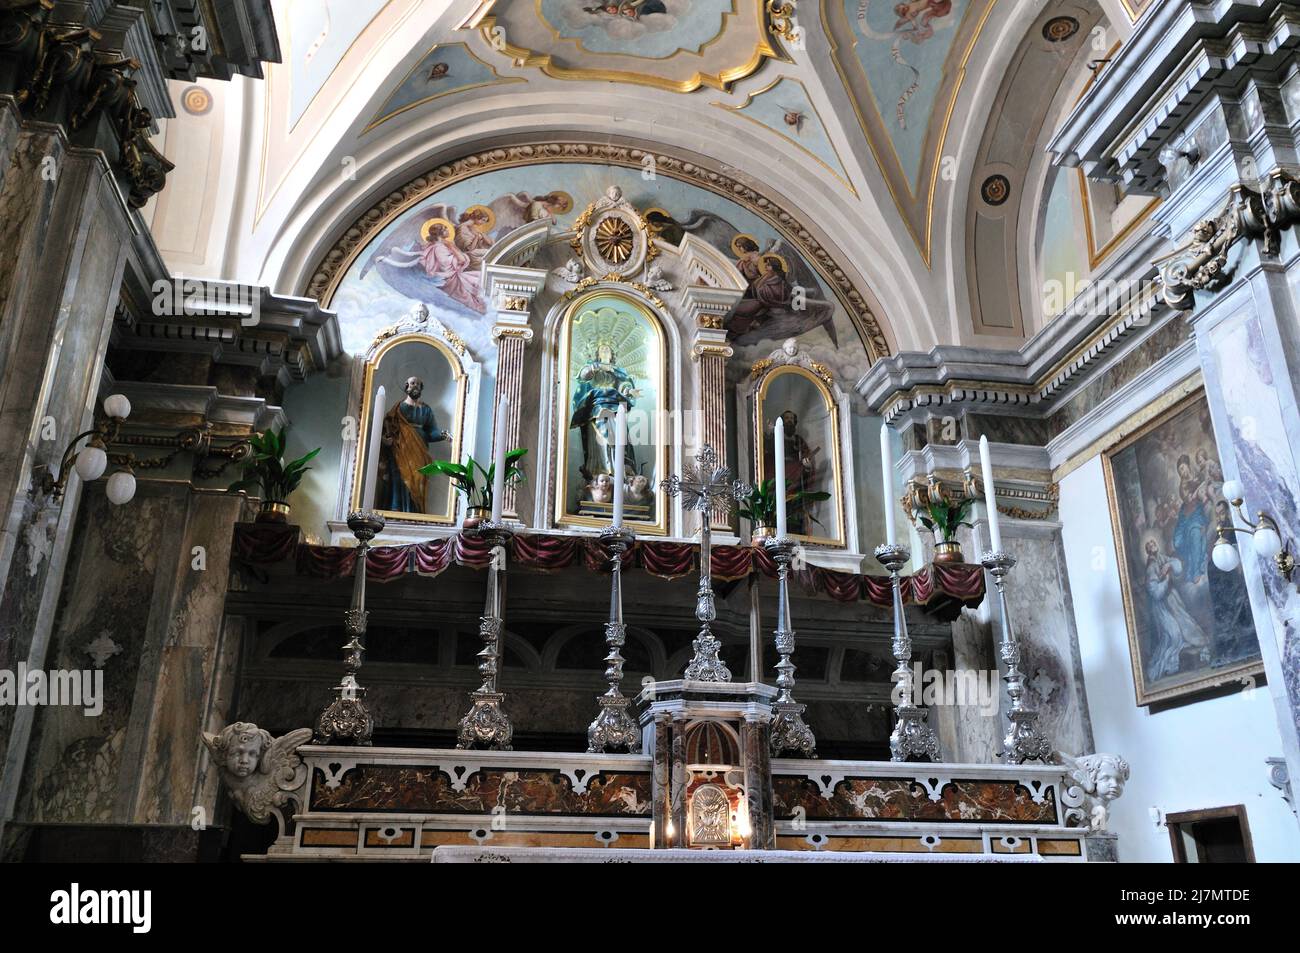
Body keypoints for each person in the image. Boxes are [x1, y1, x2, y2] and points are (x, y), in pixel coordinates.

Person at [378, 376, 449, 513]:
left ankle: (414, 512)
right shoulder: (398, 408)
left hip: (419, 451)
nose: (415, 386)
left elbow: (431, 433)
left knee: (418, 480)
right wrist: (386, 439)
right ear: (407, 387)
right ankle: (396, 509)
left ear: (421, 388)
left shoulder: (426, 410)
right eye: (412, 383)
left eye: (418, 384)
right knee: (398, 478)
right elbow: (388, 427)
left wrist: (444, 435)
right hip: (400, 450)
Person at [570, 343, 639, 482]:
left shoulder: (618, 371)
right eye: (602, 349)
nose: (605, 350)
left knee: (616, 437)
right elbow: (583, 376)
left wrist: (629, 391)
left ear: (612, 354)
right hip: (595, 407)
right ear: (598, 354)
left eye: (608, 349)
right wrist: (595, 367)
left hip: (615, 408)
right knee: (599, 439)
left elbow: (623, 385)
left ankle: (618, 471)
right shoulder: (593, 366)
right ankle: (599, 471)